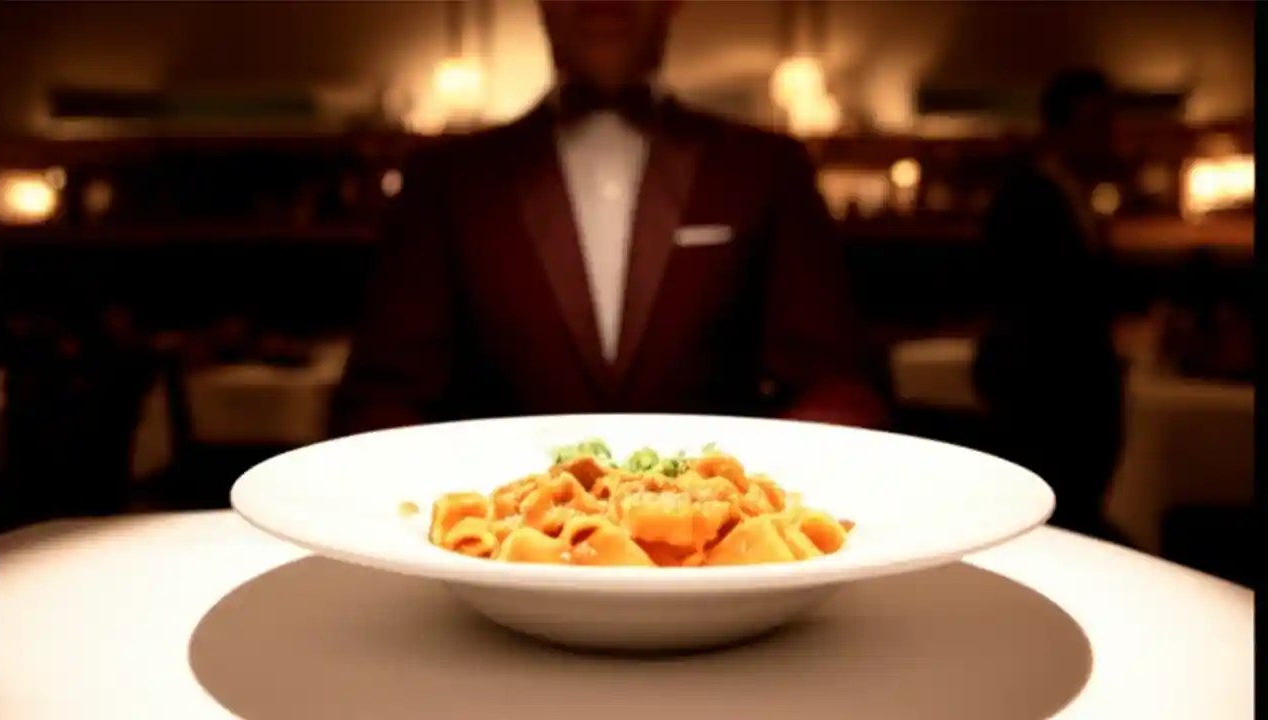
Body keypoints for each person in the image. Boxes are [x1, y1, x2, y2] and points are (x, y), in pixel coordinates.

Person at [330, 0, 887, 435]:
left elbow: (838, 381)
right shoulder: (449, 180)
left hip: (717, 557)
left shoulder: (763, 168)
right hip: (496, 553)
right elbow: (381, 398)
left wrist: (769, 494)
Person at [972, 69, 1125, 540]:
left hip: (1071, 383)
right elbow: (1023, 293)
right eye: (1095, 121)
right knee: (1051, 522)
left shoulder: (1076, 193)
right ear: (1059, 127)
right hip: (1044, 387)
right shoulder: (1025, 197)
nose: (1108, 135)